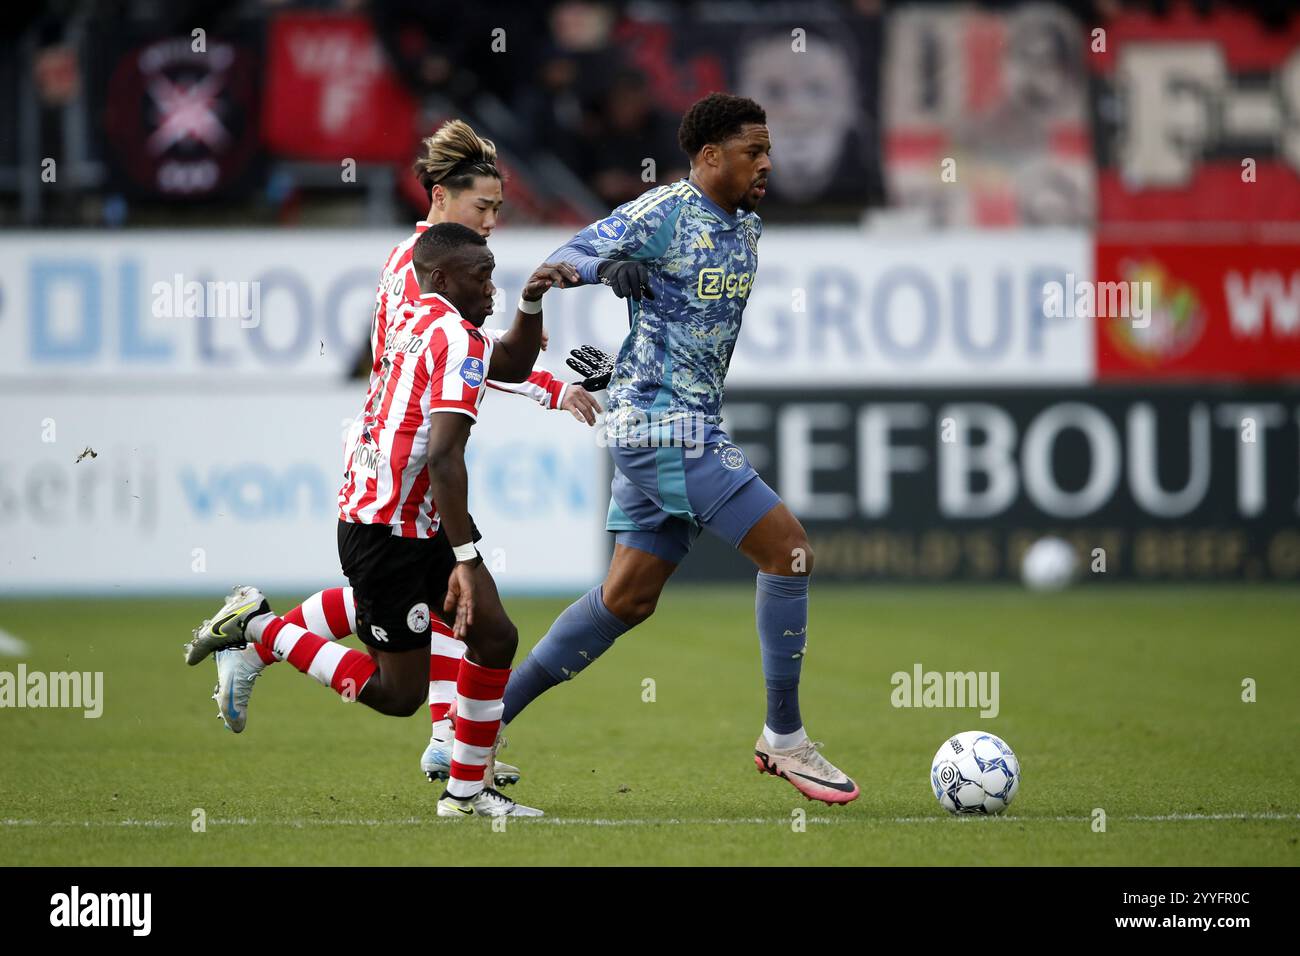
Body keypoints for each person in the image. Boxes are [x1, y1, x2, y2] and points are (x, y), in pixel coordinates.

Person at [208, 120, 608, 791]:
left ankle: (448, 742)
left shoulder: (448, 263)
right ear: (443, 198)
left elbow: (473, 359)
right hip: (403, 466)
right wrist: (549, 388)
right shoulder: (424, 269)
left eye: (497, 210)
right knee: (442, 599)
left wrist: (548, 378)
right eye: (482, 206)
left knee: (445, 606)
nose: (491, 222)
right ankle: (266, 636)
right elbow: (452, 362)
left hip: (405, 460)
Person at [498, 92, 859, 805]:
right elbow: (558, 258)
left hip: (686, 420)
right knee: (787, 550)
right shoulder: (664, 210)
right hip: (660, 426)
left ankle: (477, 723)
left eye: (768, 151)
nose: (766, 163)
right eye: (753, 152)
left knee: (627, 599)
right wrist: (608, 270)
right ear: (708, 156)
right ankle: (783, 739)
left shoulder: (747, 226)